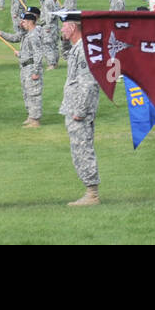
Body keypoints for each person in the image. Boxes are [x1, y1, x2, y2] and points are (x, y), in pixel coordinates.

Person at [59, 11, 101, 205]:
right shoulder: (78, 47)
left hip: (79, 110)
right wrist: (63, 39)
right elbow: (65, 54)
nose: (62, 29)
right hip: (74, 107)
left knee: (83, 149)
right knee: (78, 149)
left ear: (73, 27)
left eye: (64, 26)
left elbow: (88, 82)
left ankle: (92, 194)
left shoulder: (84, 50)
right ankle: (90, 192)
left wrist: (81, 110)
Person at [0, 7, 45, 126]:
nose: (21, 23)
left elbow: (38, 54)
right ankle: (31, 115)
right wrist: (0, 33)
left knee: (33, 93)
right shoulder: (27, 34)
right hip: (25, 68)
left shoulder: (34, 35)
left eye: (23, 21)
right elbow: (15, 38)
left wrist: (36, 72)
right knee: (27, 93)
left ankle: (35, 120)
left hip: (31, 68)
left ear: (29, 22)